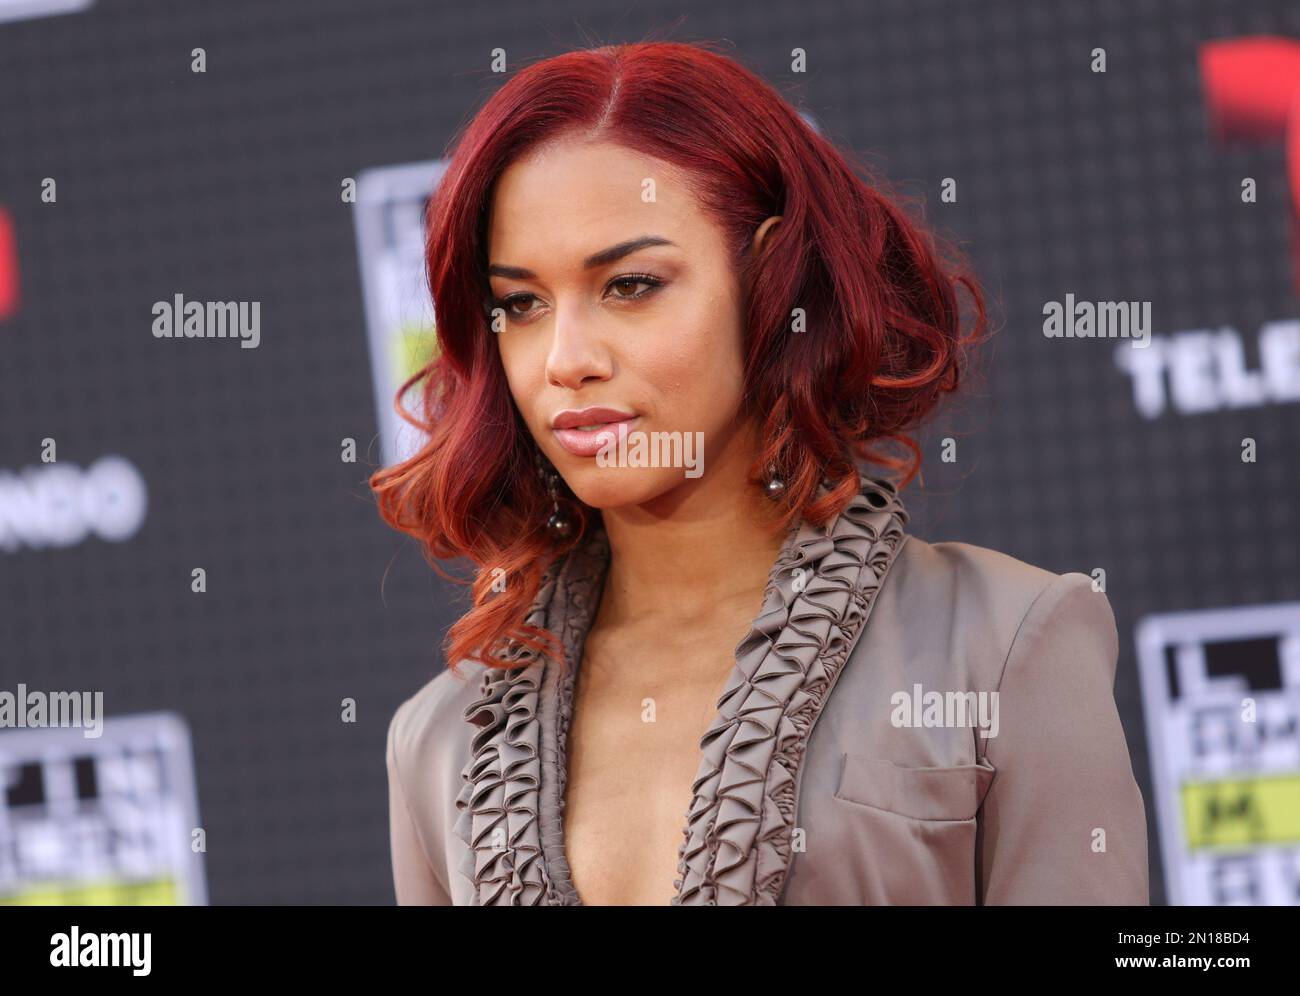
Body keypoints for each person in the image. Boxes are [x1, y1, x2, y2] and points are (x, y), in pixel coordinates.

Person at [373, 40, 1149, 906]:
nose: (566, 359)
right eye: (520, 303)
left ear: (774, 279)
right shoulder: (441, 741)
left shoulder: (1002, 648)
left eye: (629, 285)